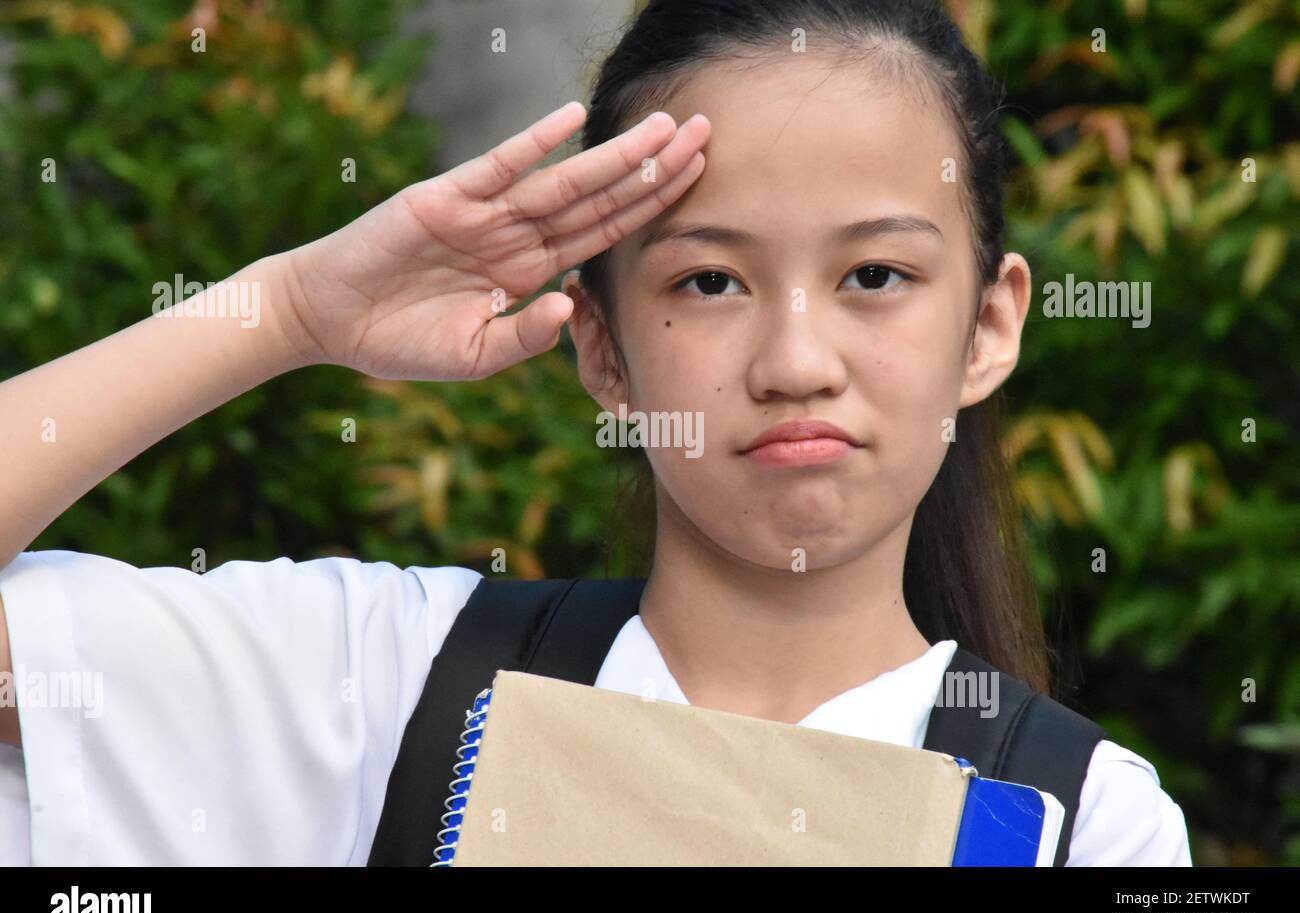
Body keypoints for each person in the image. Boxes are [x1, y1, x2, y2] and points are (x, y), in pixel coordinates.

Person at [0, 0, 1191, 866]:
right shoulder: (391, 685)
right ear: (604, 352)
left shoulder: (1086, 822)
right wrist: (291, 311)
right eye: (710, 281)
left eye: (875, 273)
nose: (795, 363)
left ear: (988, 325)